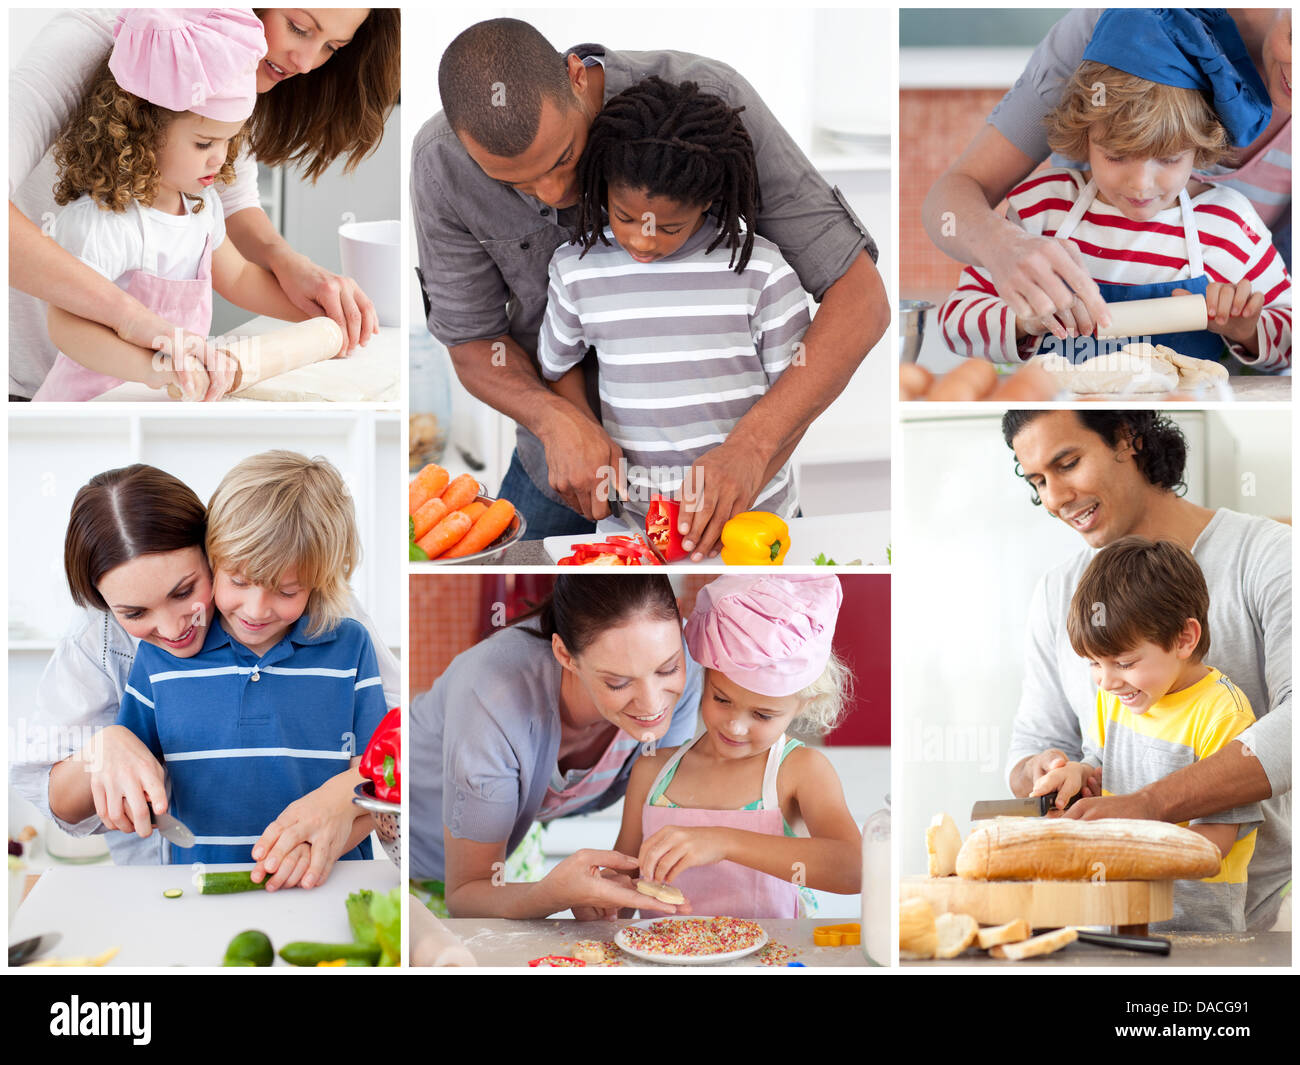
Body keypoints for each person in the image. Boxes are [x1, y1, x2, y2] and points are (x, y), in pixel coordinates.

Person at [414, 17, 888, 552]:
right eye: (515, 182)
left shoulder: (710, 105)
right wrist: (555, 419)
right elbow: (473, 343)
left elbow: (861, 300)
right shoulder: (441, 164)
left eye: (565, 157)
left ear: (575, 76)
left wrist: (751, 450)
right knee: (529, 611)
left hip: (735, 484)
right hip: (562, 470)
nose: (553, 191)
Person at [10, 462, 399, 889]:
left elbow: (392, 758)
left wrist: (343, 804)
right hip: (183, 885)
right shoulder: (116, 650)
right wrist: (104, 754)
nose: (174, 629)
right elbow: (57, 796)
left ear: (209, 549)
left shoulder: (338, 627)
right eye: (134, 613)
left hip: (329, 884)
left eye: (184, 592)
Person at [9, 8, 401, 400]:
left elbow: (238, 272)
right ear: (141, 128)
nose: (306, 63)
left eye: (333, 47)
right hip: (56, 394)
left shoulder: (200, 203)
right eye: (298, 27)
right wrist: (150, 352)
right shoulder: (102, 223)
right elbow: (66, 324)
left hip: (162, 396)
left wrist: (320, 310)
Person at [1002, 409, 1290, 930]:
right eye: (1037, 480)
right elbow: (1037, 745)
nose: (1055, 498)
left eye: (1067, 463)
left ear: (1127, 438)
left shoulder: (1269, 555)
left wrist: (1148, 806)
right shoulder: (1058, 592)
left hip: (1246, 919)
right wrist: (1049, 772)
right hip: (1114, 919)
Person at [538, 77, 809, 544]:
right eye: (624, 218)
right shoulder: (577, 270)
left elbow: (798, 400)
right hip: (633, 530)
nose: (644, 241)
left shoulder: (761, 272)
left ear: (707, 200)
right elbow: (558, 367)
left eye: (671, 227)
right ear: (602, 189)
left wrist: (746, 476)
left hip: (757, 525)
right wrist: (584, 429)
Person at [939, 21, 1290, 371]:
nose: (1140, 184)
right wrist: (1023, 322)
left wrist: (1247, 329)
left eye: (1168, 158)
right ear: (1084, 136)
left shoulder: (1229, 225)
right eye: (1116, 156)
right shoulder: (1041, 209)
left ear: (1200, 146)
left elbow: (1290, 337)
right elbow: (955, 323)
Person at [409, 574, 702, 918]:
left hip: (512, 843)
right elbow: (466, 893)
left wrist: (613, 902)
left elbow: (647, 823)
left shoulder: (685, 660)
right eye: (618, 682)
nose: (653, 704)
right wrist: (553, 896)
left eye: (668, 669)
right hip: (414, 858)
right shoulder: (492, 698)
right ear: (565, 654)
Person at [1032, 537, 1261, 931]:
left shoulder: (1225, 714)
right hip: (1116, 921)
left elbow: (1214, 846)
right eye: (1093, 664)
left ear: (1184, 639)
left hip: (1197, 931)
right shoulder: (1117, 696)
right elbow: (1102, 764)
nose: (1105, 682)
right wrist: (1079, 774)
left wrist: (1118, 838)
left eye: (1124, 662)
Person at [609, 575, 861, 920]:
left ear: (804, 703)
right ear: (704, 677)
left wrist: (725, 842)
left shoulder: (800, 770)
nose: (735, 725)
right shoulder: (652, 772)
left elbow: (854, 870)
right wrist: (601, 901)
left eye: (762, 714)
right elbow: (623, 889)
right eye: (721, 698)